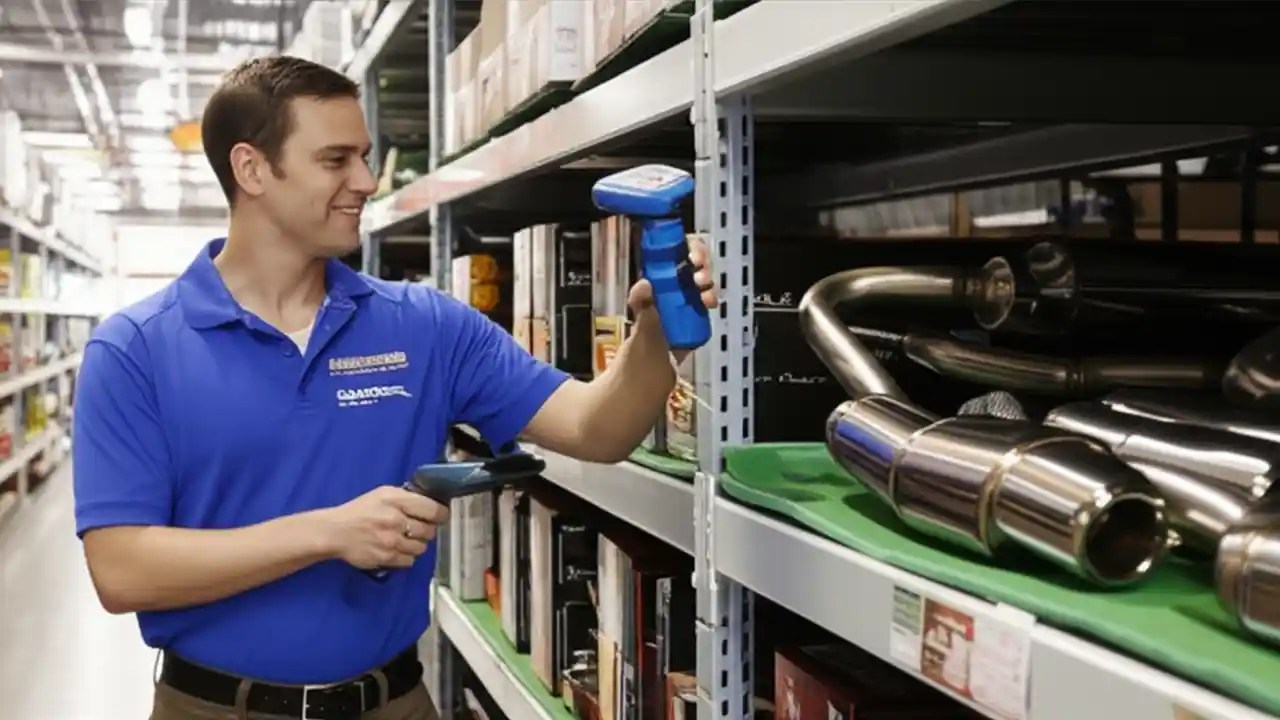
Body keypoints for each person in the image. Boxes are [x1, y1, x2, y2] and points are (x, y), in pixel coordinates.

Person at [72, 55, 718, 720]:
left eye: (366, 156)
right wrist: (328, 533)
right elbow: (121, 571)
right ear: (252, 169)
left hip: (395, 703)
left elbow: (597, 429)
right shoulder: (135, 350)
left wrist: (650, 332)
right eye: (336, 160)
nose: (367, 181)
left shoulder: (424, 325)